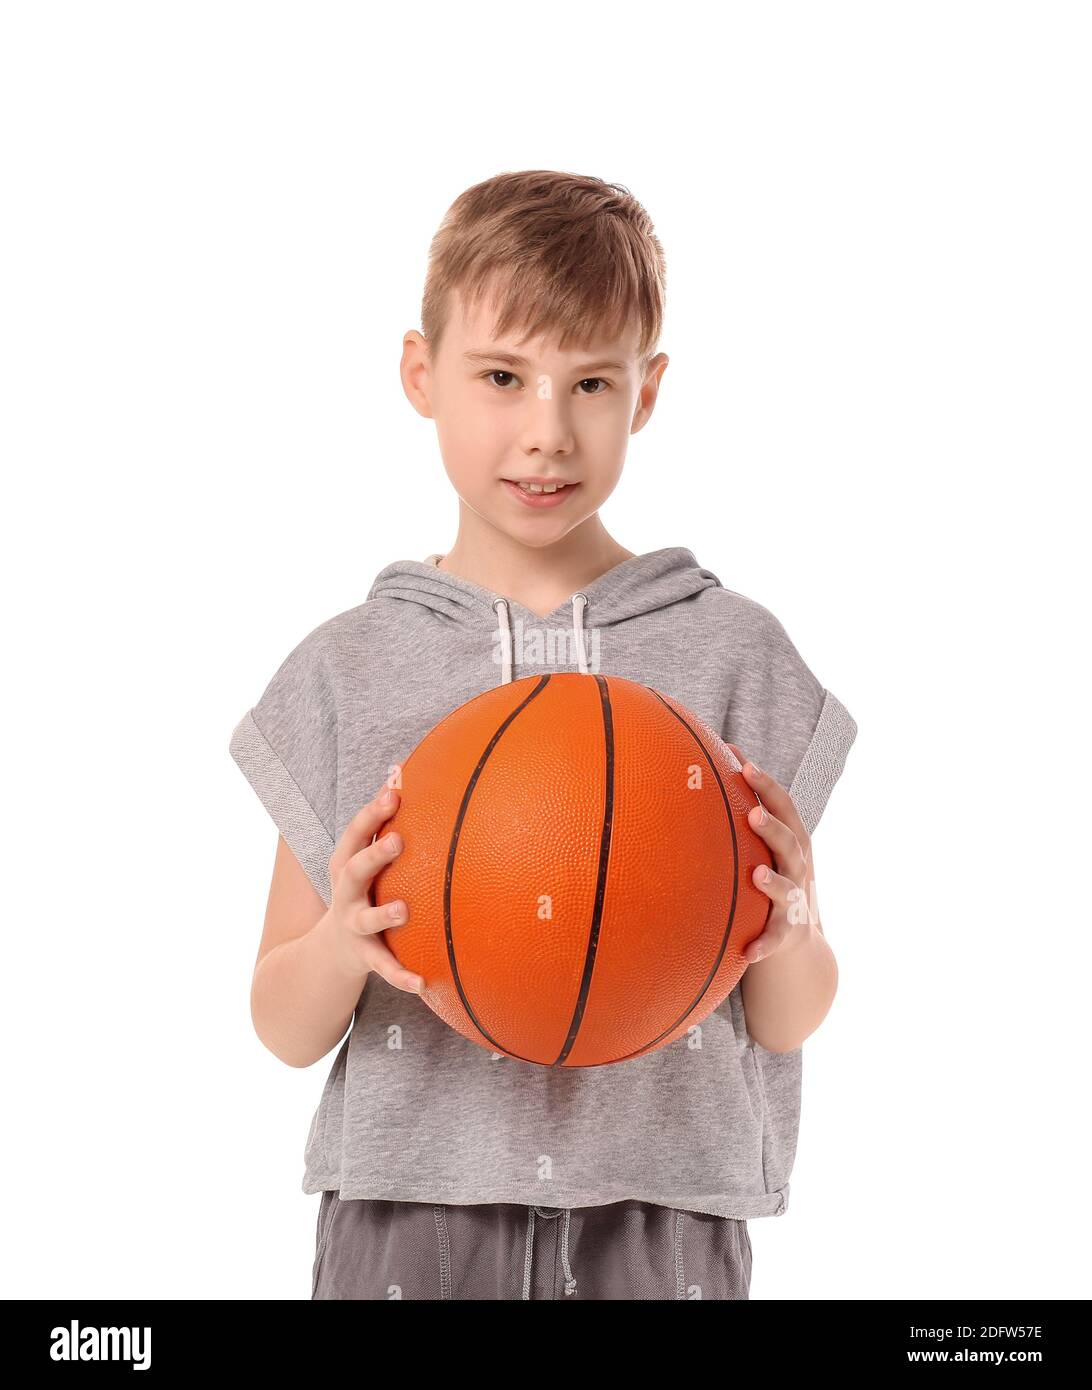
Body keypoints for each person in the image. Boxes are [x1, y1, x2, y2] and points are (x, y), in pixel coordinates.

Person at [229, 169, 858, 1300]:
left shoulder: (731, 652)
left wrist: (793, 922)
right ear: (421, 374)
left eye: (592, 383)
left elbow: (791, 1011)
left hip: (662, 1217)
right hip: (407, 1216)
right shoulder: (348, 667)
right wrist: (339, 943)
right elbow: (280, 1021)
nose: (547, 432)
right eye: (504, 377)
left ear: (648, 391)